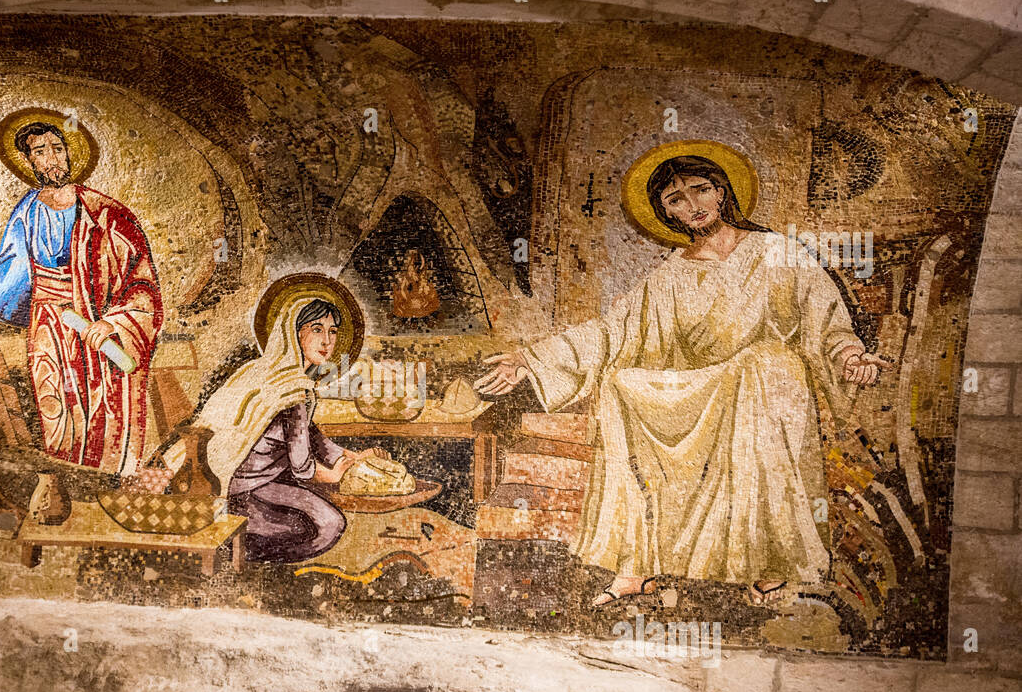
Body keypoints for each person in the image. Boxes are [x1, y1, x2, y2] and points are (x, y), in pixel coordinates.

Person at [476, 152, 889, 607]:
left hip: (767, 384)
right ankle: (636, 564)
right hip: (708, 385)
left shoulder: (777, 253)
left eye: (700, 189)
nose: (692, 204)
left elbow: (826, 319)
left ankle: (773, 564)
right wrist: (528, 359)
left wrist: (849, 356)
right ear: (665, 212)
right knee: (618, 383)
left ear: (722, 191)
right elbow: (614, 331)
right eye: (676, 198)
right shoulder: (670, 276)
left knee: (759, 364)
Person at [0, 119, 162, 476]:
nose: (52, 158)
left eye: (57, 148)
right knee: (56, 406)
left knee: (104, 403)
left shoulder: (106, 213)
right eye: (40, 152)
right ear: (28, 161)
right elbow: (12, 267)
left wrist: (115, 322)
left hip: (97, 323)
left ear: (69, 154)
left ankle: (112, 478)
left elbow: (140, 279)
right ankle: (71, 482)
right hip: (49, 326)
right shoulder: (28, 211)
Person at [196, 296, 385, 563]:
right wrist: (334, 476)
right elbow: (302, 467)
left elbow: (313, 437)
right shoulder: (293, 390)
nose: (327, 342)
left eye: (332, 332)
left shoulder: (272, 375)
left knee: (317, 514)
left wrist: (352, 458)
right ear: (294, 334)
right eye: (317, 329)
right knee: (329, 525)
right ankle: (244, 555)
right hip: (243, 493)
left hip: (251, 486)